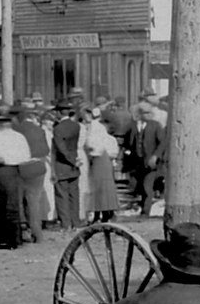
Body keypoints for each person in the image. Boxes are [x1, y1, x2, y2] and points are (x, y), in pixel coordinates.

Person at [0, 106, 30, 250]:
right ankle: (12, 240)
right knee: (8, 205)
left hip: (3, 171)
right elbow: (25, 157)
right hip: (7, 171)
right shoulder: (17, 137)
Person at [13, 103, 51, 243]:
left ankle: (22, 232)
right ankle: (37, 233)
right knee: (34, 202)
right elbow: (45, 151)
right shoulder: (39, 130)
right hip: (37, 167)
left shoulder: (16, 130)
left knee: (19, 201)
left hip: (21, 167)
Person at [124, 102, 167, 217]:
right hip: (137, 162)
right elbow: (128, 142)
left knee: (148, 186)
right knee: (140, 186)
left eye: (149, 113)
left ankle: (145, 211)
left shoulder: (156, 125)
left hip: (150, 162)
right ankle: (142, 206)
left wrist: (155, 156)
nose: (148, 115)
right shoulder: (133, 126)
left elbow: (162, 142)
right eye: (145, 113)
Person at [80, 106, 121, 223]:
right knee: (101, 186)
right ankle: (102, 212)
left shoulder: (95, 127)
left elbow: (92, 144)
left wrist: (87, 149)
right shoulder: (97, 128)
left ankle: (103, 212)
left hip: (99, 158)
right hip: (101, 158)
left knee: (100, 186)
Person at [51, 100, 81, 232]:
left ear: (58, 112)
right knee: (74, 195)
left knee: (62, 196)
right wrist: (75, 161)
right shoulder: (76, 126)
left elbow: (61, 149)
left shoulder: (57, 129)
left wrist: (71, 160)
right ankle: (76, 223)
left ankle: (65, 224)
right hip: (74, 167)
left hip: (62, 165)